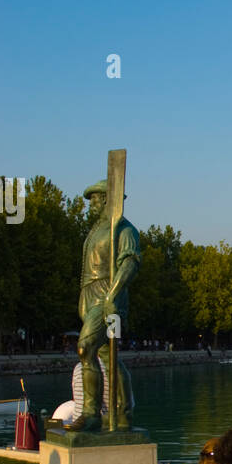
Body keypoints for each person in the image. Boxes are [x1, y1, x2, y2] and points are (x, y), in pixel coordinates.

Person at [69, 179, 140, 432]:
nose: (91, 206)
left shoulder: (124, 229)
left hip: (108, 295)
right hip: (89, 295)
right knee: (107, 355)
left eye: (95, 200)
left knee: (85, 347)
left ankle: (91, 414)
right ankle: (123, 411)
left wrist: (113, 294)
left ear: (108, 200)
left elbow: (130, 263)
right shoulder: (97, 230)